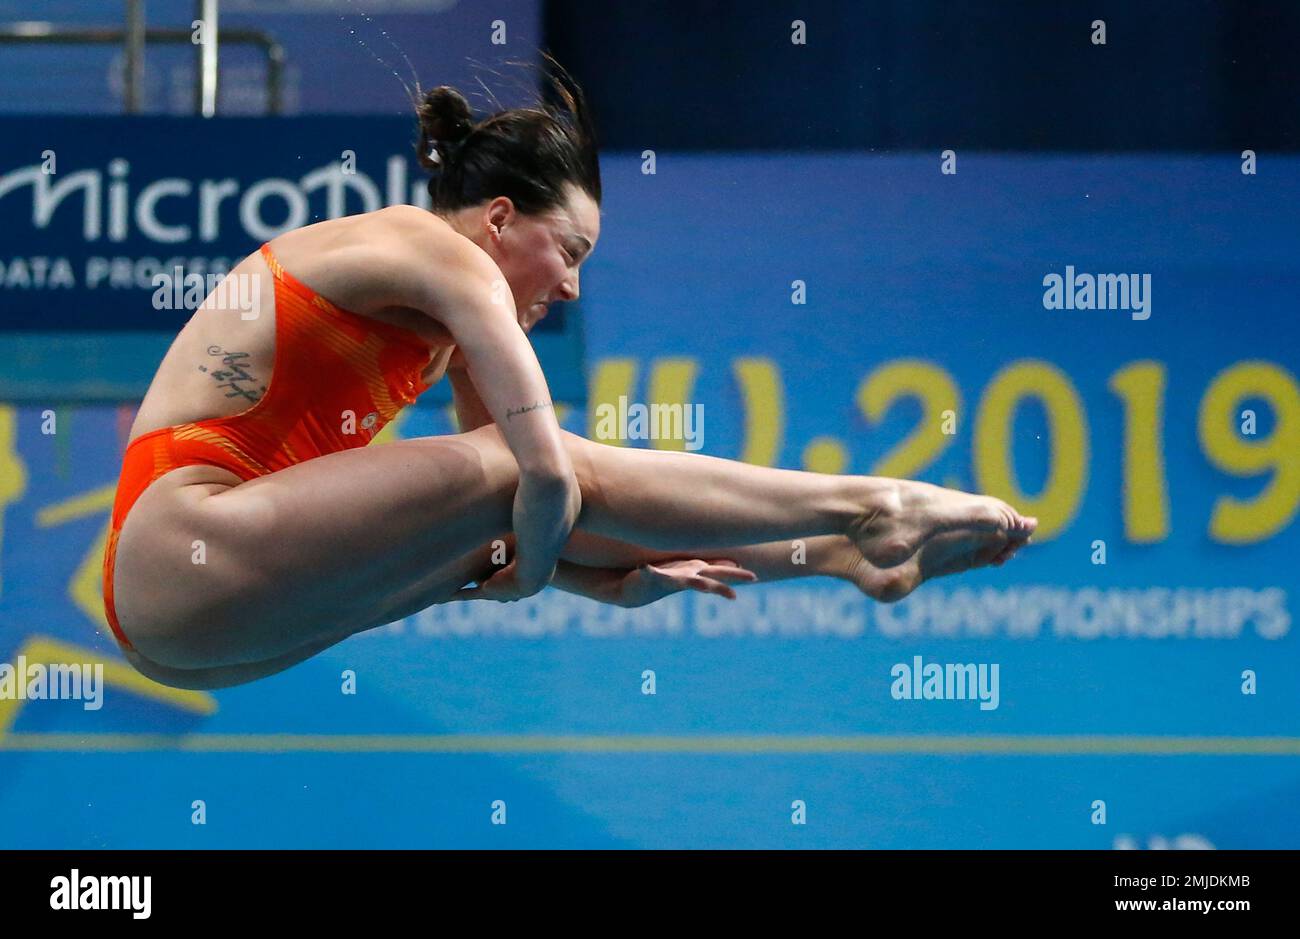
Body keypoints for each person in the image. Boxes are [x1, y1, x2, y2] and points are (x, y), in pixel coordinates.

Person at [101, 58, 1034, 691]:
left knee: (519, 492)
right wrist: (536, 572)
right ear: (500, 218)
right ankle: (868, 509)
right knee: (540, 468)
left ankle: (832, 554)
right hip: (183, 549)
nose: (575, 283)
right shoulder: (434, 251)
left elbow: (520, 512)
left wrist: (592, 578)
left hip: (198, 637)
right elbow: (543, 476)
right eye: (570, 249)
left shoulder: (444, 311)